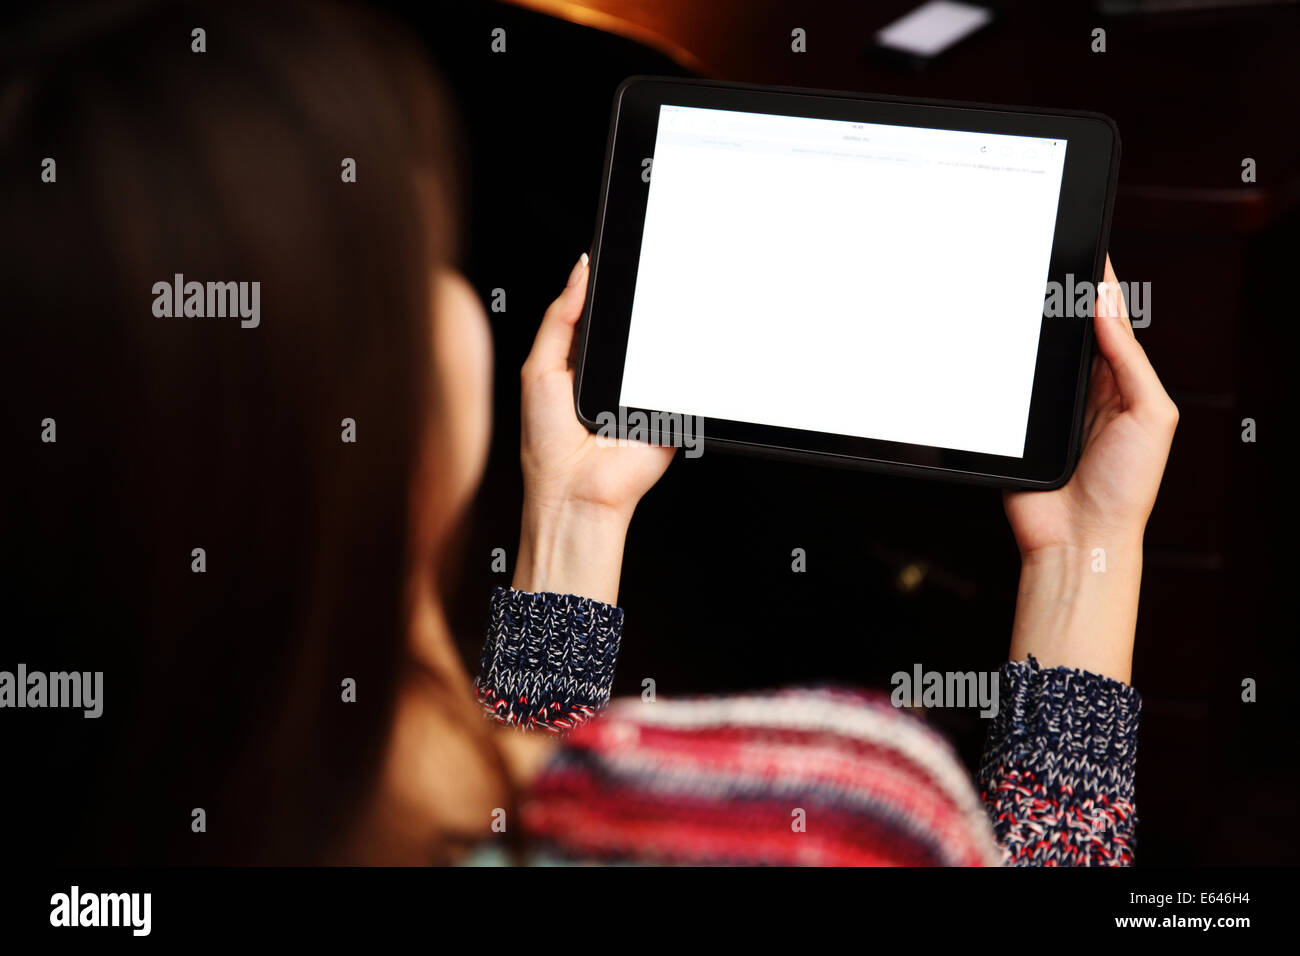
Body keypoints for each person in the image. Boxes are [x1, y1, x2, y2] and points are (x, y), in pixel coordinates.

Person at [2, 0, 1177, 866]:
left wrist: (576, 513)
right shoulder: (850, 806)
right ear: (392, 419)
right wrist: (1087, 556)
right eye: (421, 268)